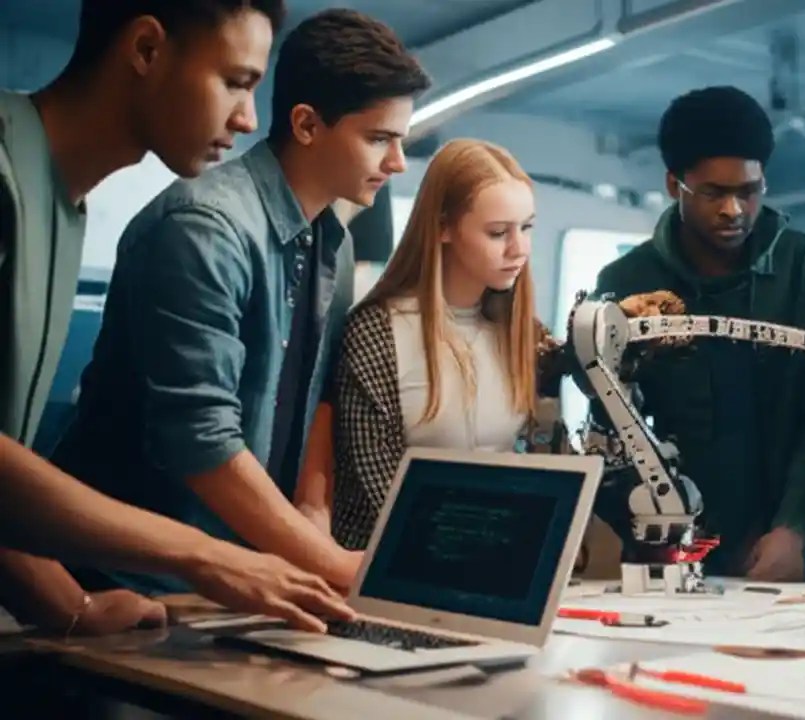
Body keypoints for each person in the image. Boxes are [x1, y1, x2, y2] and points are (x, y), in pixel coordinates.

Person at [0, 0, 352, 634]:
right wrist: (203, 556)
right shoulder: (6, 173)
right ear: (145, 50)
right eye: (236, 82)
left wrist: (68, 607)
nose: (248, 119)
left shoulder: (60, 201)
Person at [50, 9, 430, 597]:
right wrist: (339, 566)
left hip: (241, 586)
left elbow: (315, 397)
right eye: (379, 139)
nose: (397, 162)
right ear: (306, 124)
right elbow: (201, 442)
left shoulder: (335, 240)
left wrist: (312, 510)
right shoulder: (204, 227)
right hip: (126, 589)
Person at [593, 86, 805, 582]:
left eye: (748, 191)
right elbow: (615, 428)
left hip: (780, 547)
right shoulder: (624, 284)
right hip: (664, 545)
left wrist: (796, 527)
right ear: (674, 185)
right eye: (713, 193)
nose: (734, 209)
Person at [296, 138, 568, 550]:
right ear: (442, 227)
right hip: (384, 570)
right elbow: (380, 491)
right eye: (498, 233)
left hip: (490, 566)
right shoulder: (375, 334)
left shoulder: (527, 336)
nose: (520, 249)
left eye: (526, 227)